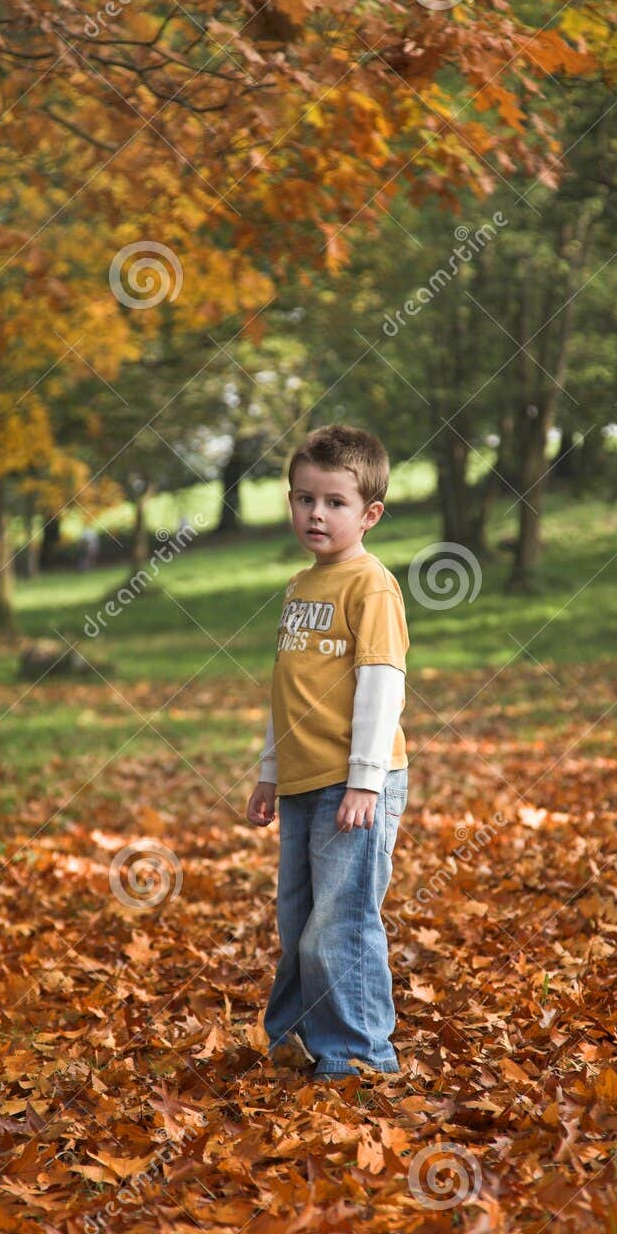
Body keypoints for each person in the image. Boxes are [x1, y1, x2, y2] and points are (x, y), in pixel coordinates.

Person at [246, 424, 410, 1080]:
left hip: (354, 788)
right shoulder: (298, 587)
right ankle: (292, 1038)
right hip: (302, 782)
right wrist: (268, 772)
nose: (315, 513)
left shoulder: (369, 586)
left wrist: (364, 782)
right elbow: (286, 691)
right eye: (303, 498)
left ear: (368, 514)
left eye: (334, 502)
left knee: (337, 926)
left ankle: (359, 1056)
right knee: (296, 923)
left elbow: (381, 684)